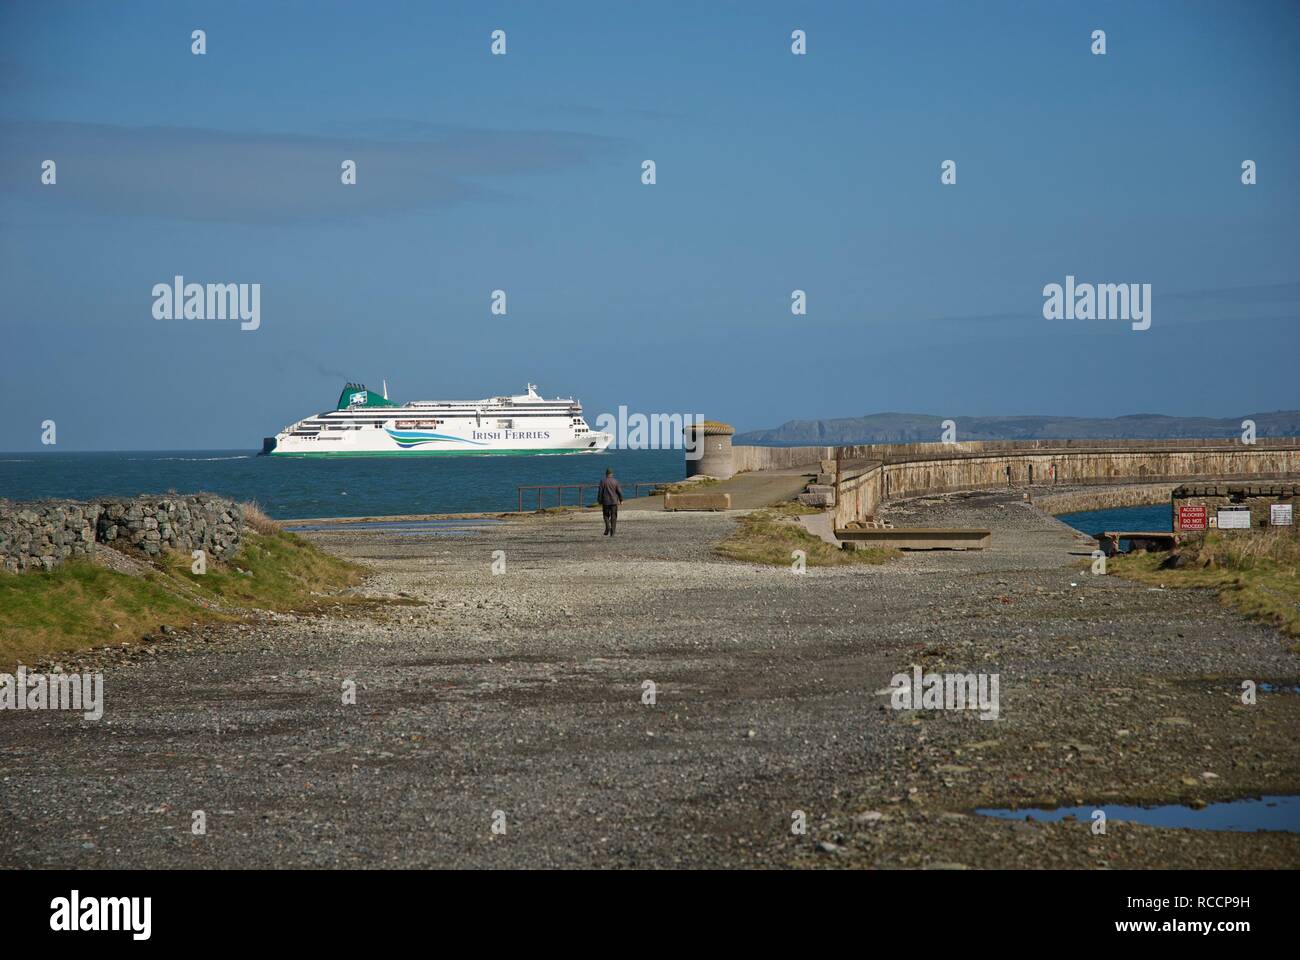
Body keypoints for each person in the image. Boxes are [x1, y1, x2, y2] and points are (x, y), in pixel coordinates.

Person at [596, 467, 624, 536]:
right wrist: (621, 500)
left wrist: (599, 500)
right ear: (612, 474)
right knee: (614, 516)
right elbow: (619, 491)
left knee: (606, 515)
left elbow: (600, 492)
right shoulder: (615, 481)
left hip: (605, 501)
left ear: (606, 474)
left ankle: (607, 527)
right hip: (614, 502)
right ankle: (613, 531)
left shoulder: (602, 481)